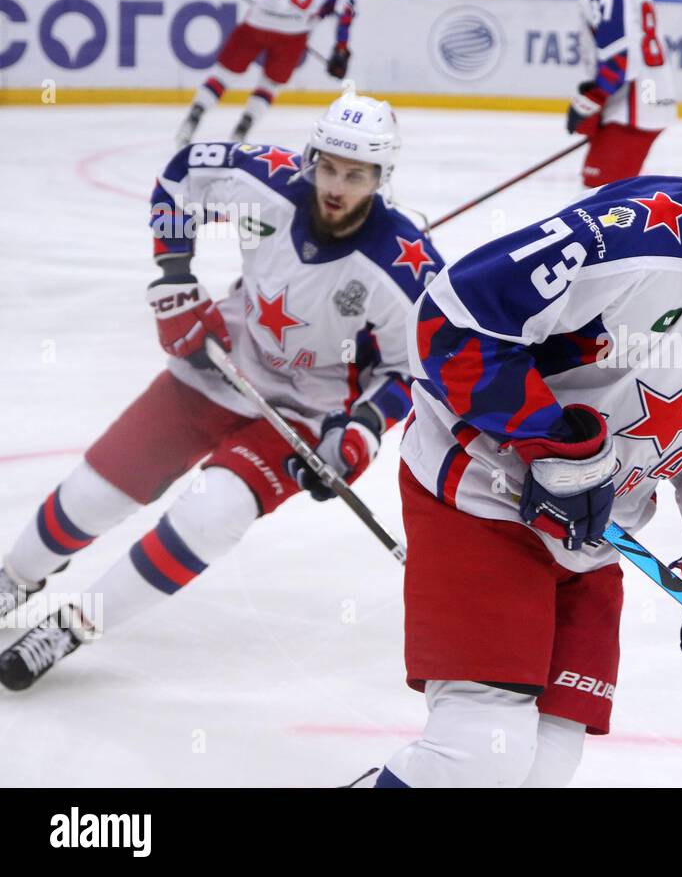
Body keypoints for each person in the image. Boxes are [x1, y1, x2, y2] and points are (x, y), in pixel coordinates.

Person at [369, 74, 682, 787]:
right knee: (479, 755)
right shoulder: (635, 234)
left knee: (543, 768)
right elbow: (451, 319)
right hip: (480, 494)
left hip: (594, 534)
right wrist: (547, 438)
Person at [0, 89, 443, 690]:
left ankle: (75, 625)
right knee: (94, 491)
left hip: (308, 415)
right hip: (220, 361)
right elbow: (182, 175)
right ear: (313, 156)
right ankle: (15, 580)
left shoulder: (404, 269)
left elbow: (415, 370)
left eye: (357, 175)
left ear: (381, 177)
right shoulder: (265, 180)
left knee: (210, 517)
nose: (337, 186)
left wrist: (363, 428)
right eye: (330, 167)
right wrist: (175, 275)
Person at [175, 0, 365, 147]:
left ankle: (193, 118)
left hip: (257, 21)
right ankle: (241, 130)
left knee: (223, 76)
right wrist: (340, 49)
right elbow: (345, 15)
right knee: (270, 84)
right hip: (293, 34)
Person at [557, 0, 677, 187]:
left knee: (597, 201)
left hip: (632, 110)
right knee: (607, 200)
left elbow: (619, 56)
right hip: (640, 103)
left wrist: (590, 101)